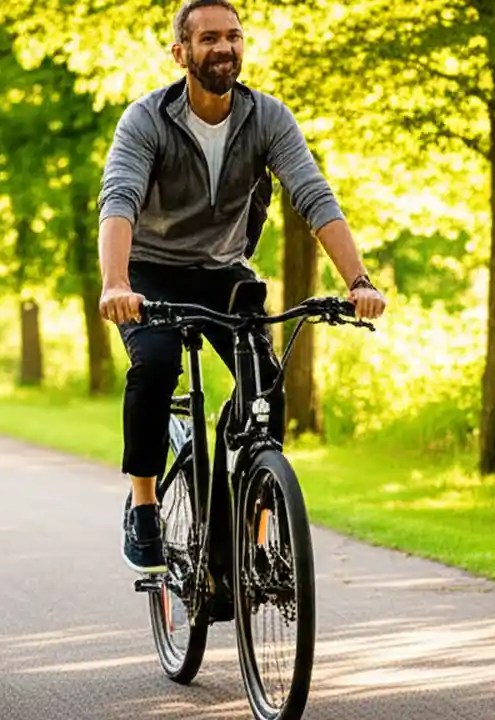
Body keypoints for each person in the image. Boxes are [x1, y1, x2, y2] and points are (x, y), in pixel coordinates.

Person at [96, 0, 387, 581]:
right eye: (208, 39)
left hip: (224, 272)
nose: (223, 48)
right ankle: (145, 505)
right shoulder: (146, 119)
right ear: (181, 53)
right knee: (154, 367)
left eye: (232, 36)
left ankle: (250, 534)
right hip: (148, 272)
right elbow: (119, 198)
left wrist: (357, 280)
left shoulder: (268, 118)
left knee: (265, 390)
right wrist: (115, 283)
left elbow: (314, 195)